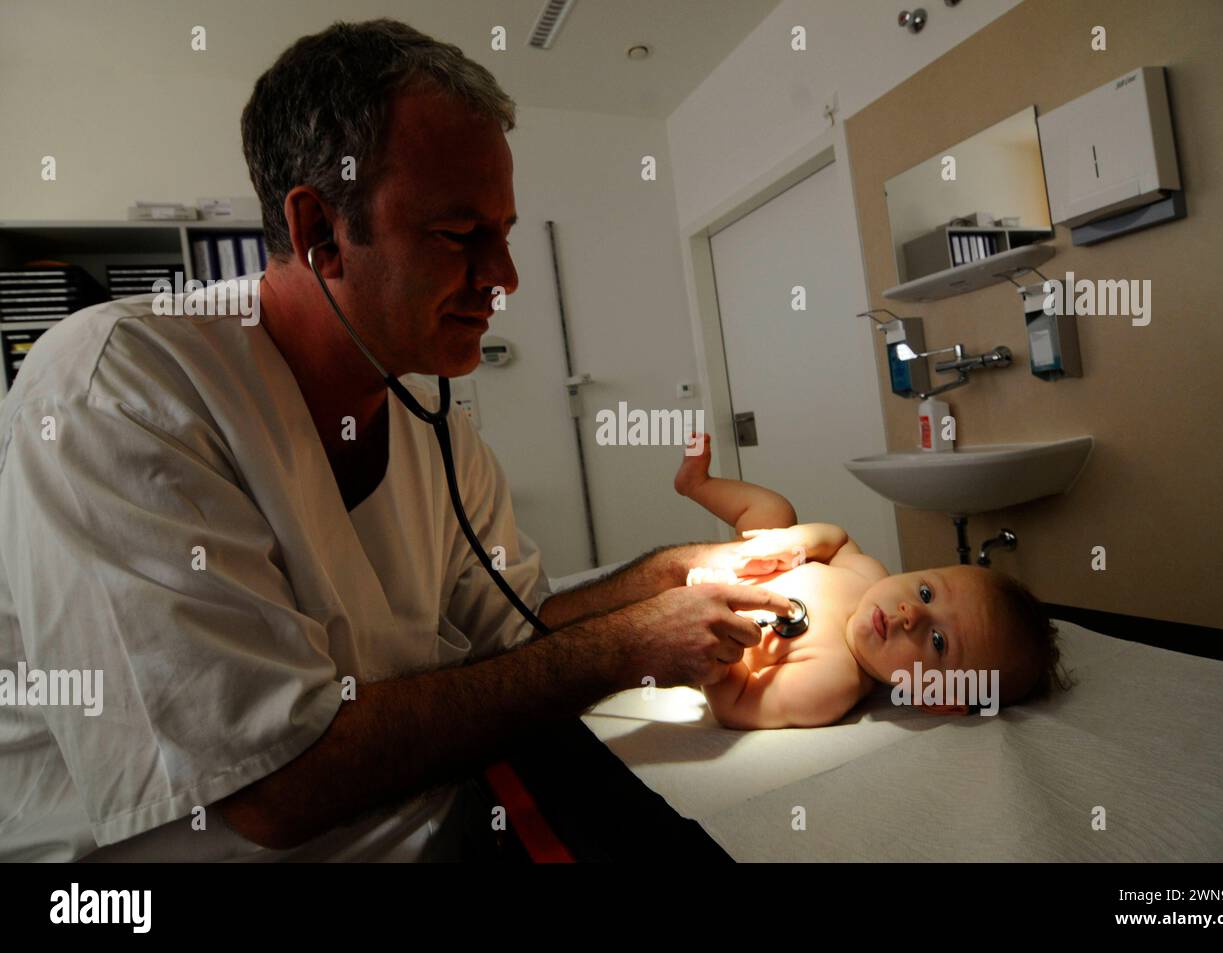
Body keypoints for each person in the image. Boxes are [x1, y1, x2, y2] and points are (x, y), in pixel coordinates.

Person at [0, 20, 791, 861]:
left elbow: (513, 630)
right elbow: (272, 786)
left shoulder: (433, 424)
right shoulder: (118, 387)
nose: (505, 278)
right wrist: (629, 644)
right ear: (321, 231)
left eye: (506, 233)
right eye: (459, 236)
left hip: (416, 806)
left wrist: (671, 575)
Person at [674, 434, 1071, 728]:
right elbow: (837, 539)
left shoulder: (831, 683)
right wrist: (793, 544)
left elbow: (737, 704)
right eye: (926, 592)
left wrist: (717, 624)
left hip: (713, 611)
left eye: (938, 642)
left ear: (935, 698)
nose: (911, 612)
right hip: (750, 562)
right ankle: (695, 484)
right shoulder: (869, 577)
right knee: (775, 511)